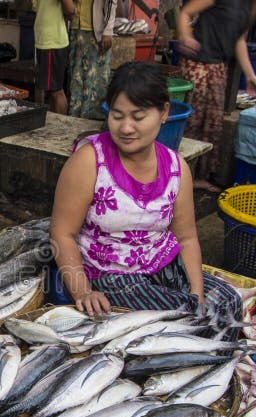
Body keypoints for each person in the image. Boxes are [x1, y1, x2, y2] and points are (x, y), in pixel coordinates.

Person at [49, 62, 241, 330]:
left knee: (228, 303)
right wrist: (82, 292)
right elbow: (62, 234)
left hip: (162, 265)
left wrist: (196, 295)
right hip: (107, 273)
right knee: (181, 319)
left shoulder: (177, 168)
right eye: (117, 116)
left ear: (164, 112)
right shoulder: (90, 161)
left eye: (138, 117)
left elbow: (186, 238)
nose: (126, 128)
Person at [177, 0, 256, 193]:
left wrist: (250, 74)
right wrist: (186, 36)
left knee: (211, 126)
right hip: (197, 66)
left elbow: (239, 41)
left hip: (218, 69)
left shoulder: (248, 8)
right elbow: (185, 13)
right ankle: (179, 175)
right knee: (192, 123)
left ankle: (196, 178)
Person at [67, 0, 117, 119]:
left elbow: (111, 3)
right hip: (76, 29)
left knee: (96, 79)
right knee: (76, 76)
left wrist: (108, 30)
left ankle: (94, 118)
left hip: (96, 33)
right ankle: (76, 116)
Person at [34, 0, 76, 115]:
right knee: (50, 91)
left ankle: (62, 126)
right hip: (46, 40)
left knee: (56, 91)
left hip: (52, 42)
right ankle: (55, 124)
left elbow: (71, 9)